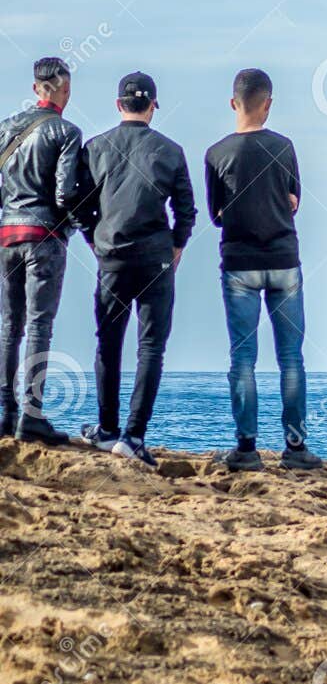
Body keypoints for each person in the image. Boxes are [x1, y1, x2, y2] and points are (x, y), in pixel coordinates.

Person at [71, 72, 196, 467]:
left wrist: (93, 237)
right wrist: (177, 244)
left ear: (118, 104)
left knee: (108, 343)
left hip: (112, 255)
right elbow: (186, 209)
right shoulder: (171, 151)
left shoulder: (95, 148)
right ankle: (134, 436)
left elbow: (77, 202)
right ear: (153, 106)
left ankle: (107, 430)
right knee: (151, 347)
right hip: (156, 256)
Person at [204, 68, 321, 473]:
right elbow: (294, 200)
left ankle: (247, 449)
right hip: (284, 260)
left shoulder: (217, 153)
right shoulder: (284, 147)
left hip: (239, 263)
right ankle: (296, 448)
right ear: (268, 103)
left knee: (243, 359)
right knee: (291, 358)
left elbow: (215, 214)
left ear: (233, 102)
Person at [0, 58, 83, 444]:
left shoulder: (5, 128)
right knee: (39, 325)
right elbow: (66, 193)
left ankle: (6, 412)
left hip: (7, 234)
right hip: (44, 235)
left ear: (37, 88)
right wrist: (79, 223)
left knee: (8, 325)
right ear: (64, 89)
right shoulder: (66, 132)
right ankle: (31, 416)